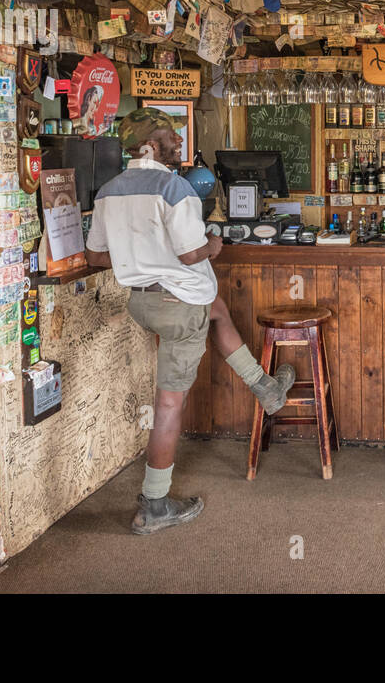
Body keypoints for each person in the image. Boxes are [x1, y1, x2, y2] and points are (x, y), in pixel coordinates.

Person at [86, 107, 296, 535]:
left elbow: (95, 257)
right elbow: (188, 254)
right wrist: (214, 246)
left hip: (144, 304)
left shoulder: (108, 191)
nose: (179, 143)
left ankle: (266, 389)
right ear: (148, 144)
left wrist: (140, 257)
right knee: (168, 405)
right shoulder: (174, 187)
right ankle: (154, 504)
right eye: (170, 136)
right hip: (178, 304)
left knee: (215, 306)